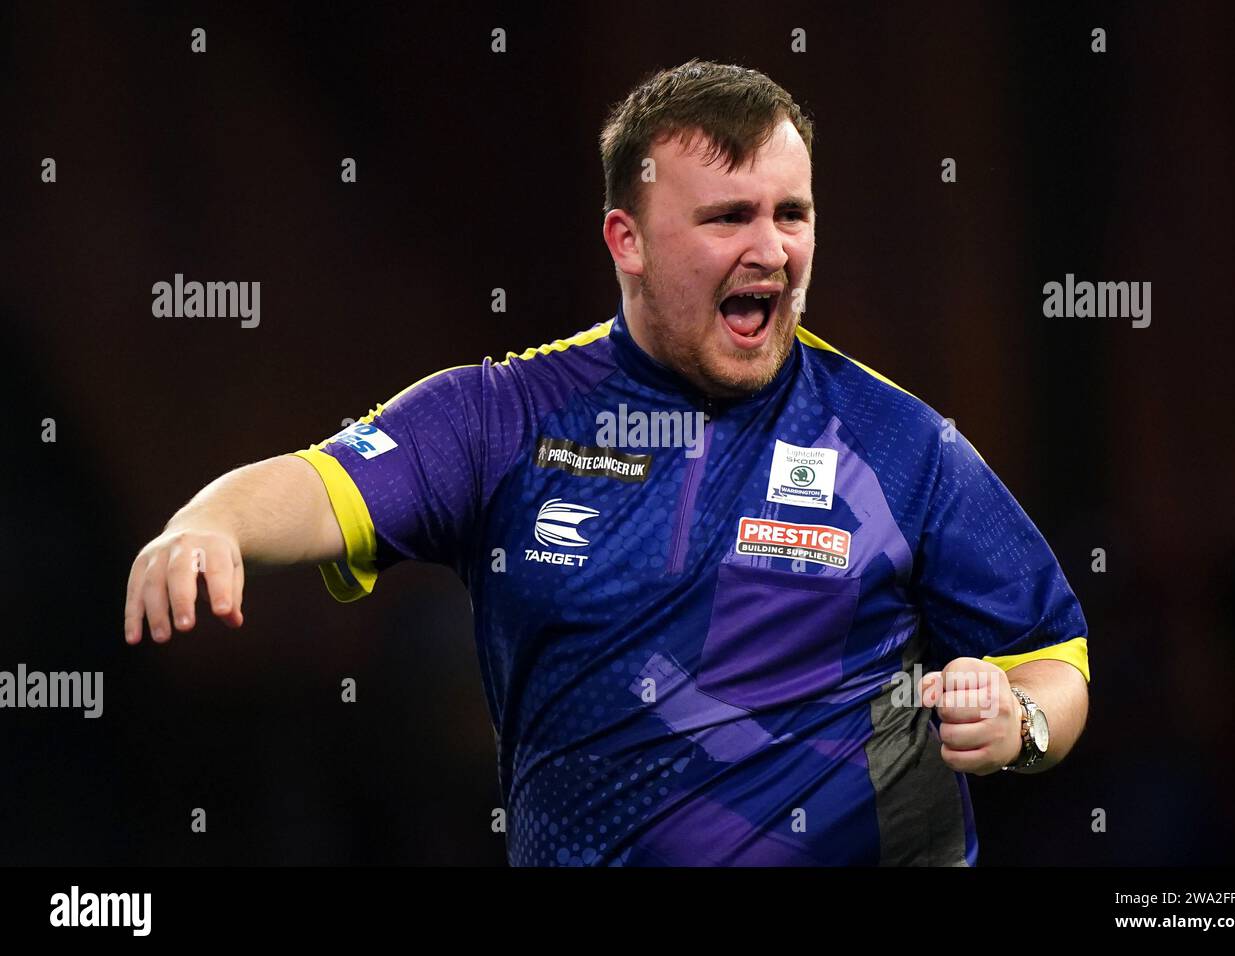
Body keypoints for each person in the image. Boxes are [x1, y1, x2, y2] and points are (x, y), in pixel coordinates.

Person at [124, 59, 1090, 866]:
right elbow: (319, 484)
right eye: (727, 218)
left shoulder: (897, 441)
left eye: (790, 214)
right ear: (626, 240)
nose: (772, 249)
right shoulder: (502, 416)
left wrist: (1021, 723)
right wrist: (210, 524)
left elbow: (1054, 658)